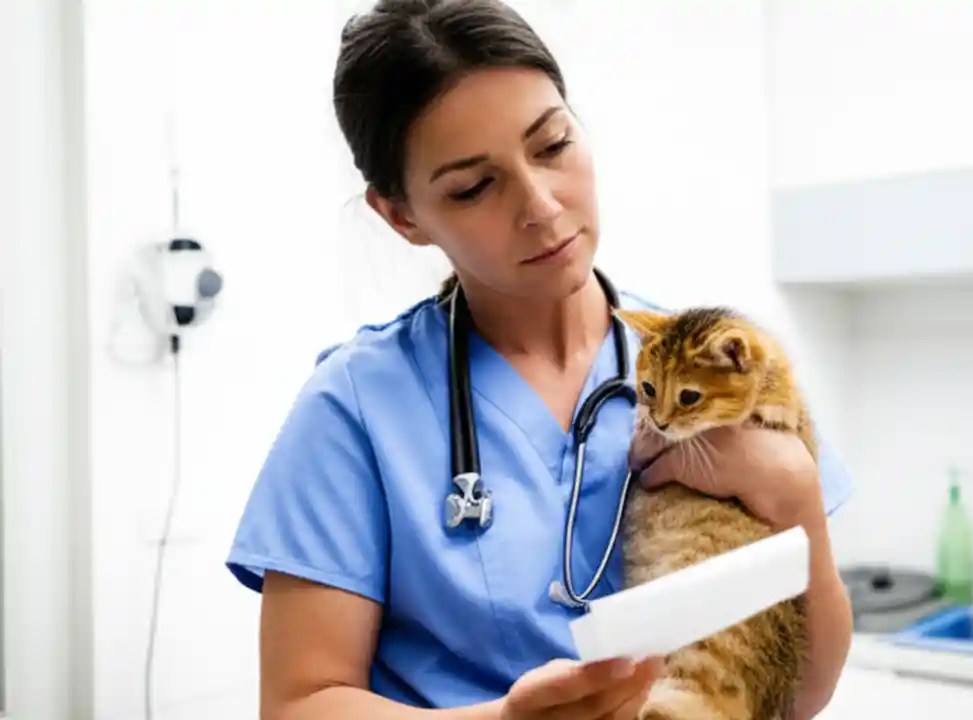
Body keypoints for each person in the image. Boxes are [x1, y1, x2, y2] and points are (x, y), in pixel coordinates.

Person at [225, 1, 854, 718]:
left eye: (552, 145)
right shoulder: (356, 407)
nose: (542, 205)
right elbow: (299, 704)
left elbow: (802, 695)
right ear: (402, 216)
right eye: (473, 186)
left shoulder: (705, 372)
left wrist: (799, 498)